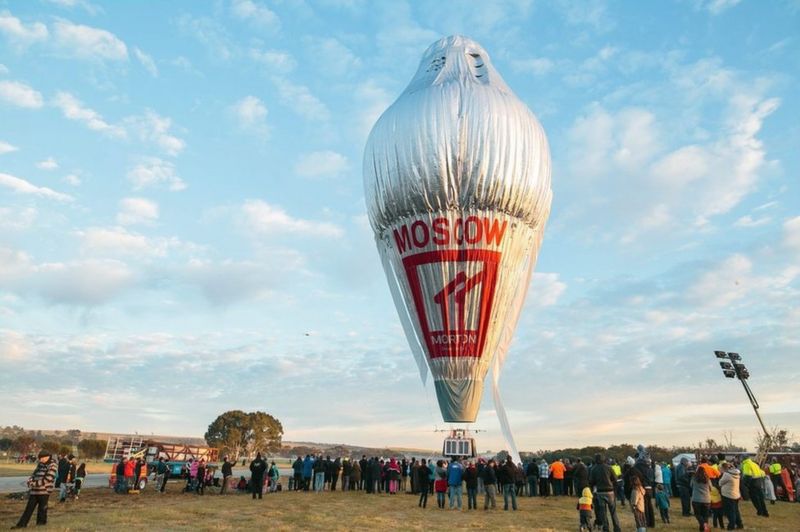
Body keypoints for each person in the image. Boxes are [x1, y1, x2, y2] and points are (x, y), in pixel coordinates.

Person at [12, 450, 58, 529]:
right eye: (40, 458)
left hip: (44, 491)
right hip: (34, 491)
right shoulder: (40, 464)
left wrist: (34, 484)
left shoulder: (53, 465)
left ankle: (41, 525)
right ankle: (21, 525)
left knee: (42, 509)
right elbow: (34, 474)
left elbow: (48, 479)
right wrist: (30, 480)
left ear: (47, 457)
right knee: (28, 509)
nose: (40, 460)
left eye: (42, 458)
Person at [588, 453, 622, 532]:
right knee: (613, 512)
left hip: (600, 492)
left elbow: (591, 482)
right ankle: (617, 528)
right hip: (610, 491)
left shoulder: (593, 469)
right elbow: (615, 479)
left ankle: (606, 528)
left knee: (603, 512)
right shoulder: (609, 467)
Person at [719, 462, 743, 530]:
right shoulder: (736, 473)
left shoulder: (727, 475)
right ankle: (739, 524)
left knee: (730, 511)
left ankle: (731, 525)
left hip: (728, 495)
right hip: (736, 494)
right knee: (736, 510)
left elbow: (720, 483)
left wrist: (722, 474)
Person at [691, 465, 711, 532]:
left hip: (696, 499)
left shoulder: (694, 478)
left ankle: (703, 525)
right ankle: (704, 528)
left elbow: (691, 485)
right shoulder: (707, 478)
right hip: (706, 499)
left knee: (698, 514)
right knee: (705, 515)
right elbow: (711, 487)